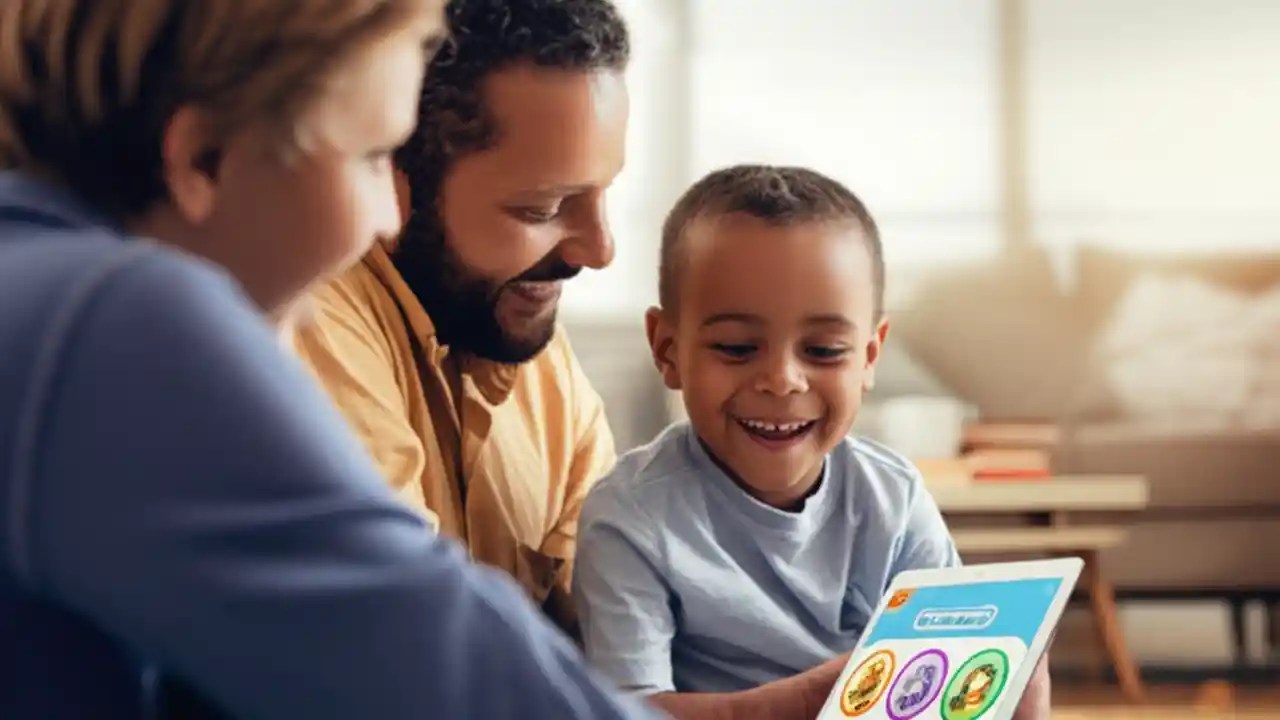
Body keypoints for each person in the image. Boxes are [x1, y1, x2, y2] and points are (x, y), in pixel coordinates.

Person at [0, 2, 658, 718]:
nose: (388, 218)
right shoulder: (111, 318)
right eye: (376, 157)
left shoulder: (41, 284)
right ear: (203, 157)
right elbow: (446, 670)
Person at [572, 165, 1052, 720]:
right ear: (667, 349)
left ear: (870, 355)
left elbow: (950, 668)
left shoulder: (892, 497)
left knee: (1024, 665)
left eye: (823, 351)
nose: (782, 380)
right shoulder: (631, 515)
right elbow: (623, 711)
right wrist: (795, 704)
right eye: (735, 347)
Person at [291, 0, 630, 635]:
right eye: (543, 208)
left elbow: (635, 642)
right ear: (393, 178)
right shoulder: (309, 317)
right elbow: (405, 645)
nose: (599, 249)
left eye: (603, 192)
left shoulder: (537, 361)